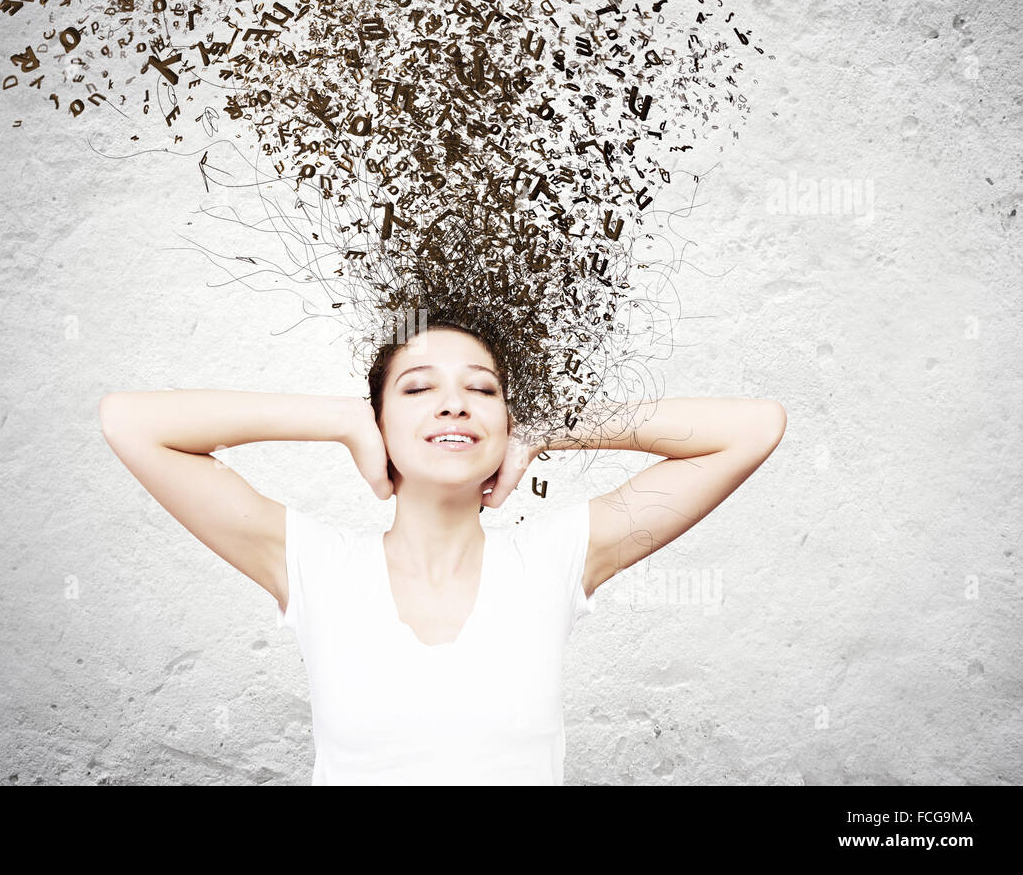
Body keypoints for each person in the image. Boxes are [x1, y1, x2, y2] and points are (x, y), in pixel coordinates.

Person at [99, 319, 786, 784]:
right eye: (419, 387)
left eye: (482, 389)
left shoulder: (553, 560)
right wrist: (340, 420)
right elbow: (131, 422)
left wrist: (549, 431)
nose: (455, 404)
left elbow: (753, 428)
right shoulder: (316, 566)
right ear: (381, 423)